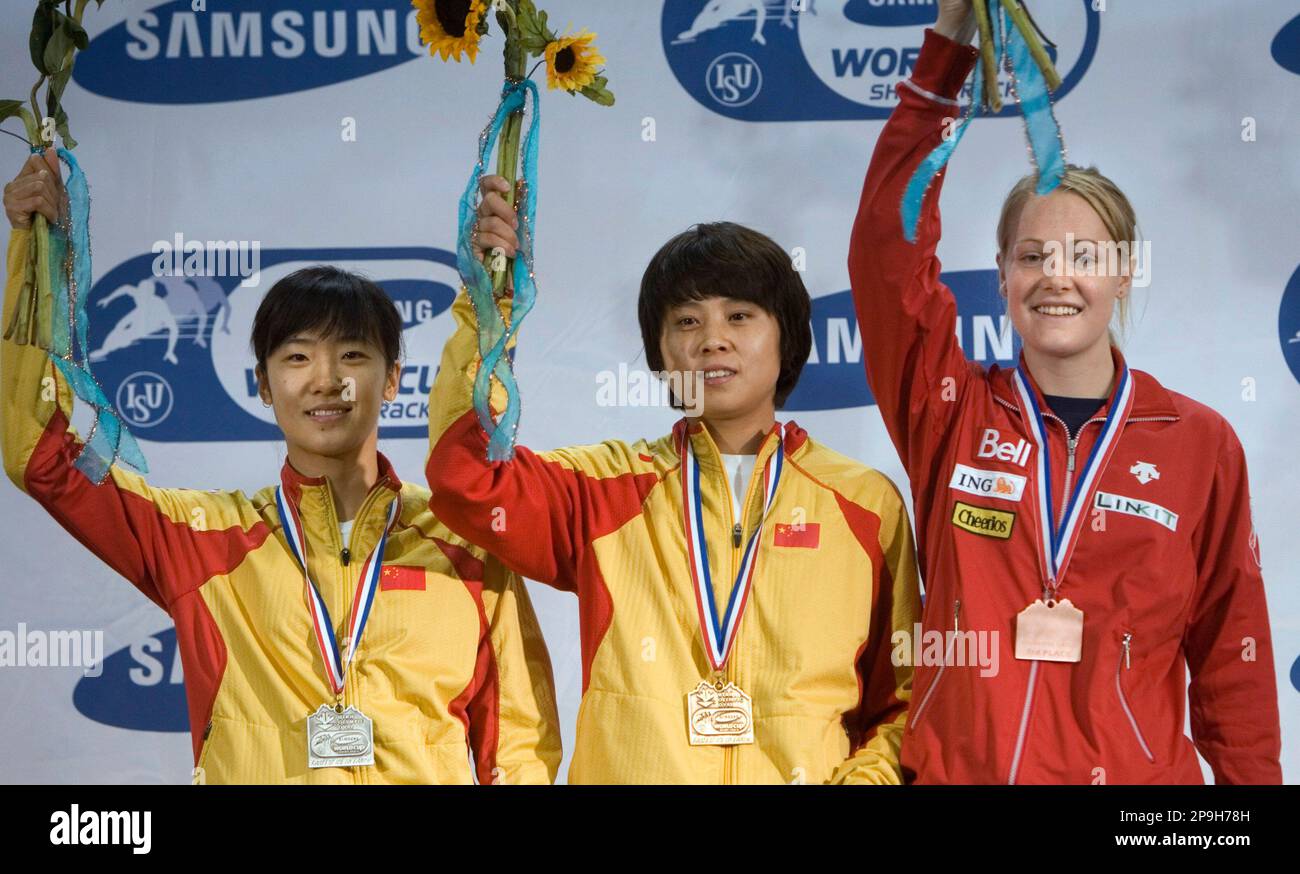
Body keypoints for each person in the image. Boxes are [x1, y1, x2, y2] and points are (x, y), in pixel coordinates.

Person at [1, 151, 561, 784]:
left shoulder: (466, 548)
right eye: (296, 358)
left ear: (395, 381)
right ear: (263, 385)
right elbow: (41, 454)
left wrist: (491, 293)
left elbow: (518, 747)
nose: (325, 381)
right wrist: (37, 252)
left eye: (352, 354)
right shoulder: (199, 539)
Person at [848, 0, 1282, 783]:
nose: (1056, 275)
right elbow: (887, 250)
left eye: (1085, 254)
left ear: (1123, 274)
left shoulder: (1197, 441)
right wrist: (947, 49)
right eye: (1032, 254)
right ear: (1005, 276)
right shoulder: (950, 410)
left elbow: (1232, 659)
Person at [425, 176, 921, 784]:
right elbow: (465, 477)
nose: (712, 340)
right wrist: (487, 305)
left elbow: (904, 701)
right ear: (660, 354)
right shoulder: (602, 491)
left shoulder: (864, 504)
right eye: (685, 322)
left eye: (740, 316)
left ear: (786, 335)